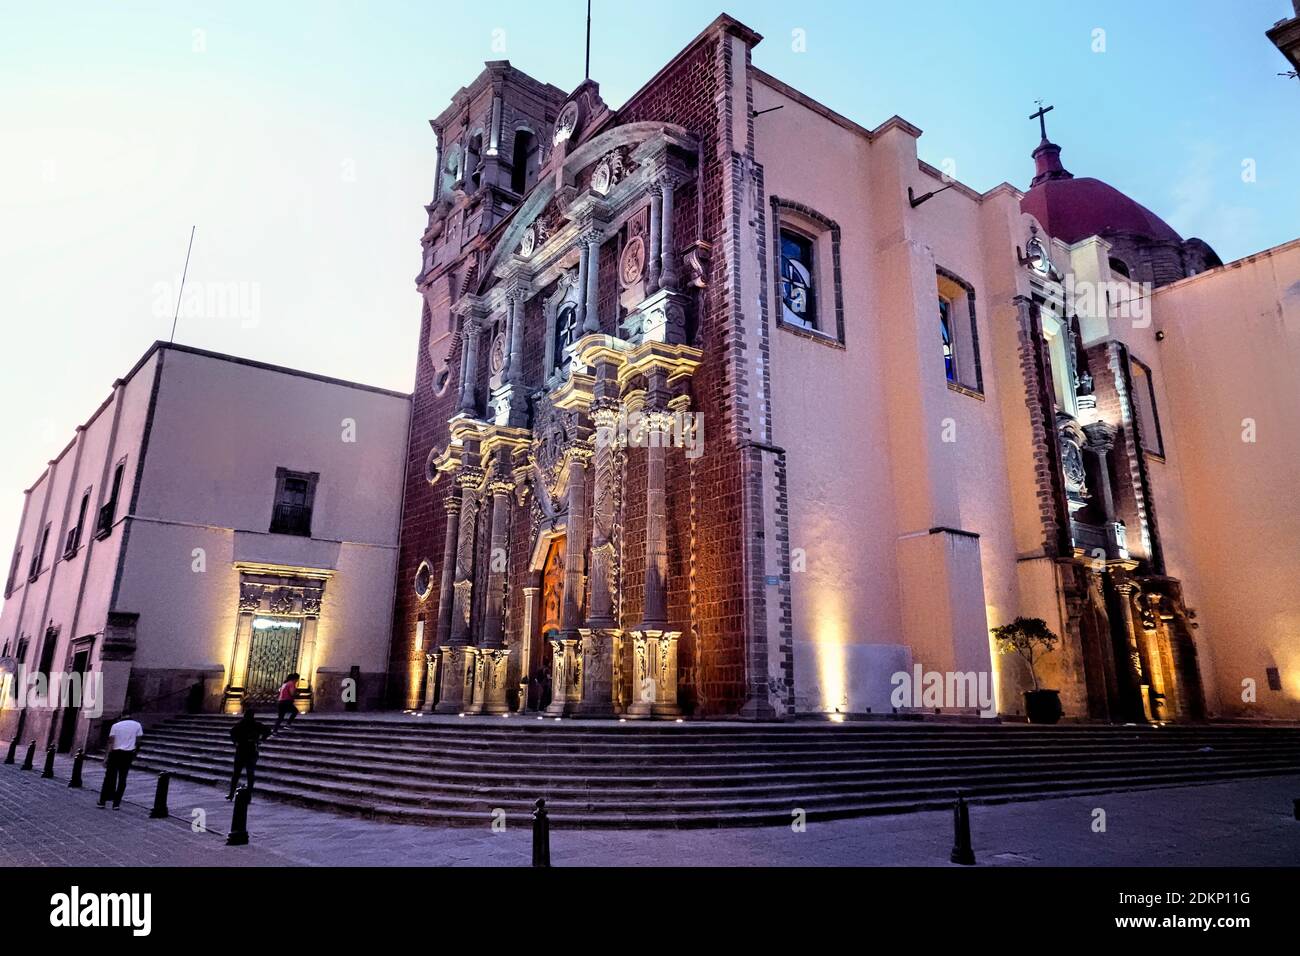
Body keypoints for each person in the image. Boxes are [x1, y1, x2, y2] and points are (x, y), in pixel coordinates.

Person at [98, 710, 143, 809]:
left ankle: (102, 801)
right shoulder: (137, 725)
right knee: (122, 778)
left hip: (115, 753)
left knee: (109, 777)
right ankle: (116, 803)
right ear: (130, 715)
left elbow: (110, 742)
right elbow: (138, 741)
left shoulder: (116, 726)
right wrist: (135, 752)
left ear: (122, 716)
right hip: (127, 754)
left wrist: (106, 758)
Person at [228, 705, 271, 800]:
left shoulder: (242, 724)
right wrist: (261, 740)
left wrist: (235, 742)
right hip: (251, 750)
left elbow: (232, 733)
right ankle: (247, 795)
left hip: (242, 750)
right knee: (249, 774)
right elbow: (268, 731)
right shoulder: (255, 724)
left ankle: (232, 794)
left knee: (237, 774)